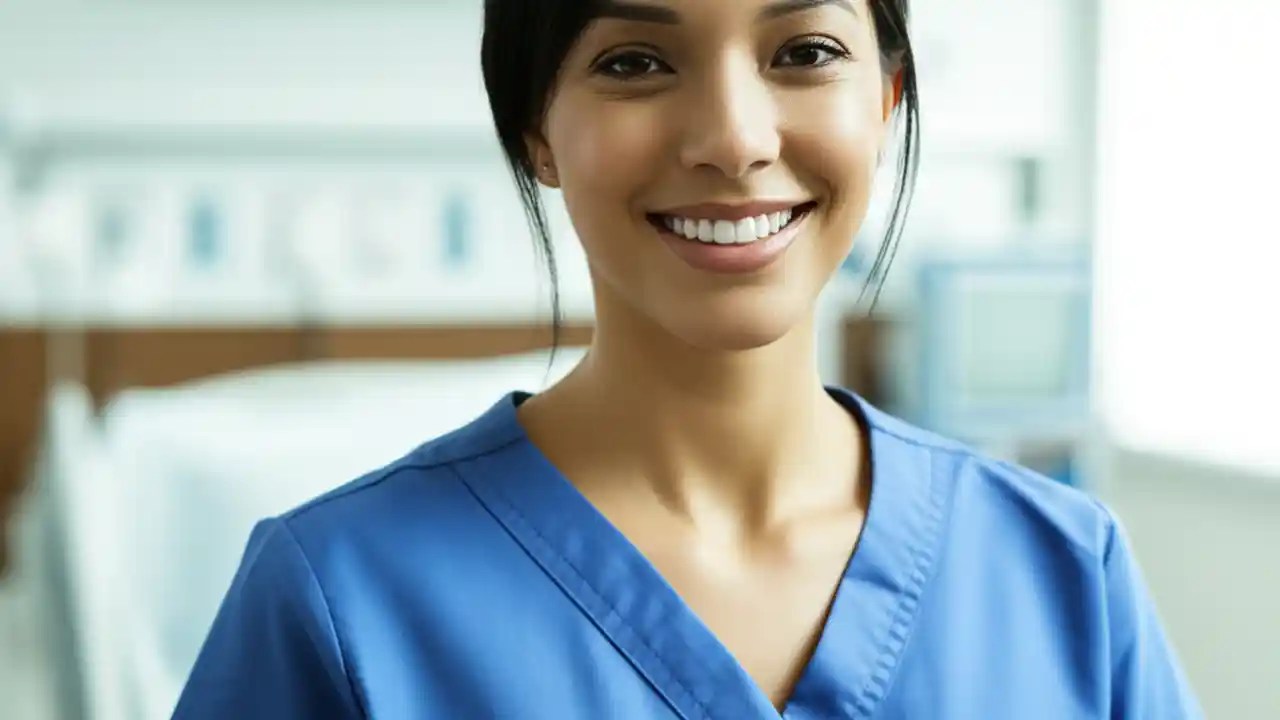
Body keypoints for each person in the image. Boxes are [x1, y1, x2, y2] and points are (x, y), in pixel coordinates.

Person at [175, 1, 1202, 717]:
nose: (732, 137)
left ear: (885, 101)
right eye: (633, 61)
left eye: (801, 51)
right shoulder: (341, 599)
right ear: (536, 128)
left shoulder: (1063, 577)